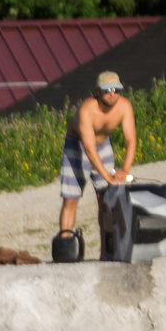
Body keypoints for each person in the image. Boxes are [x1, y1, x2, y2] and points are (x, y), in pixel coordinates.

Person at [58, 71, 137, 243]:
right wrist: (107, 176)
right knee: (71, 199)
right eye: (107, 90)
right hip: (77, 145)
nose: (112, 94)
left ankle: (106, 249)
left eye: (116, 89)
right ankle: (65, 245)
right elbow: (88, 148)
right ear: (97, 92)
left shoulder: (124, 106)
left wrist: (125, 170)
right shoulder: (87, 109)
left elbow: (131, 140)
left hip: (103, 145)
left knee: (106, 199)